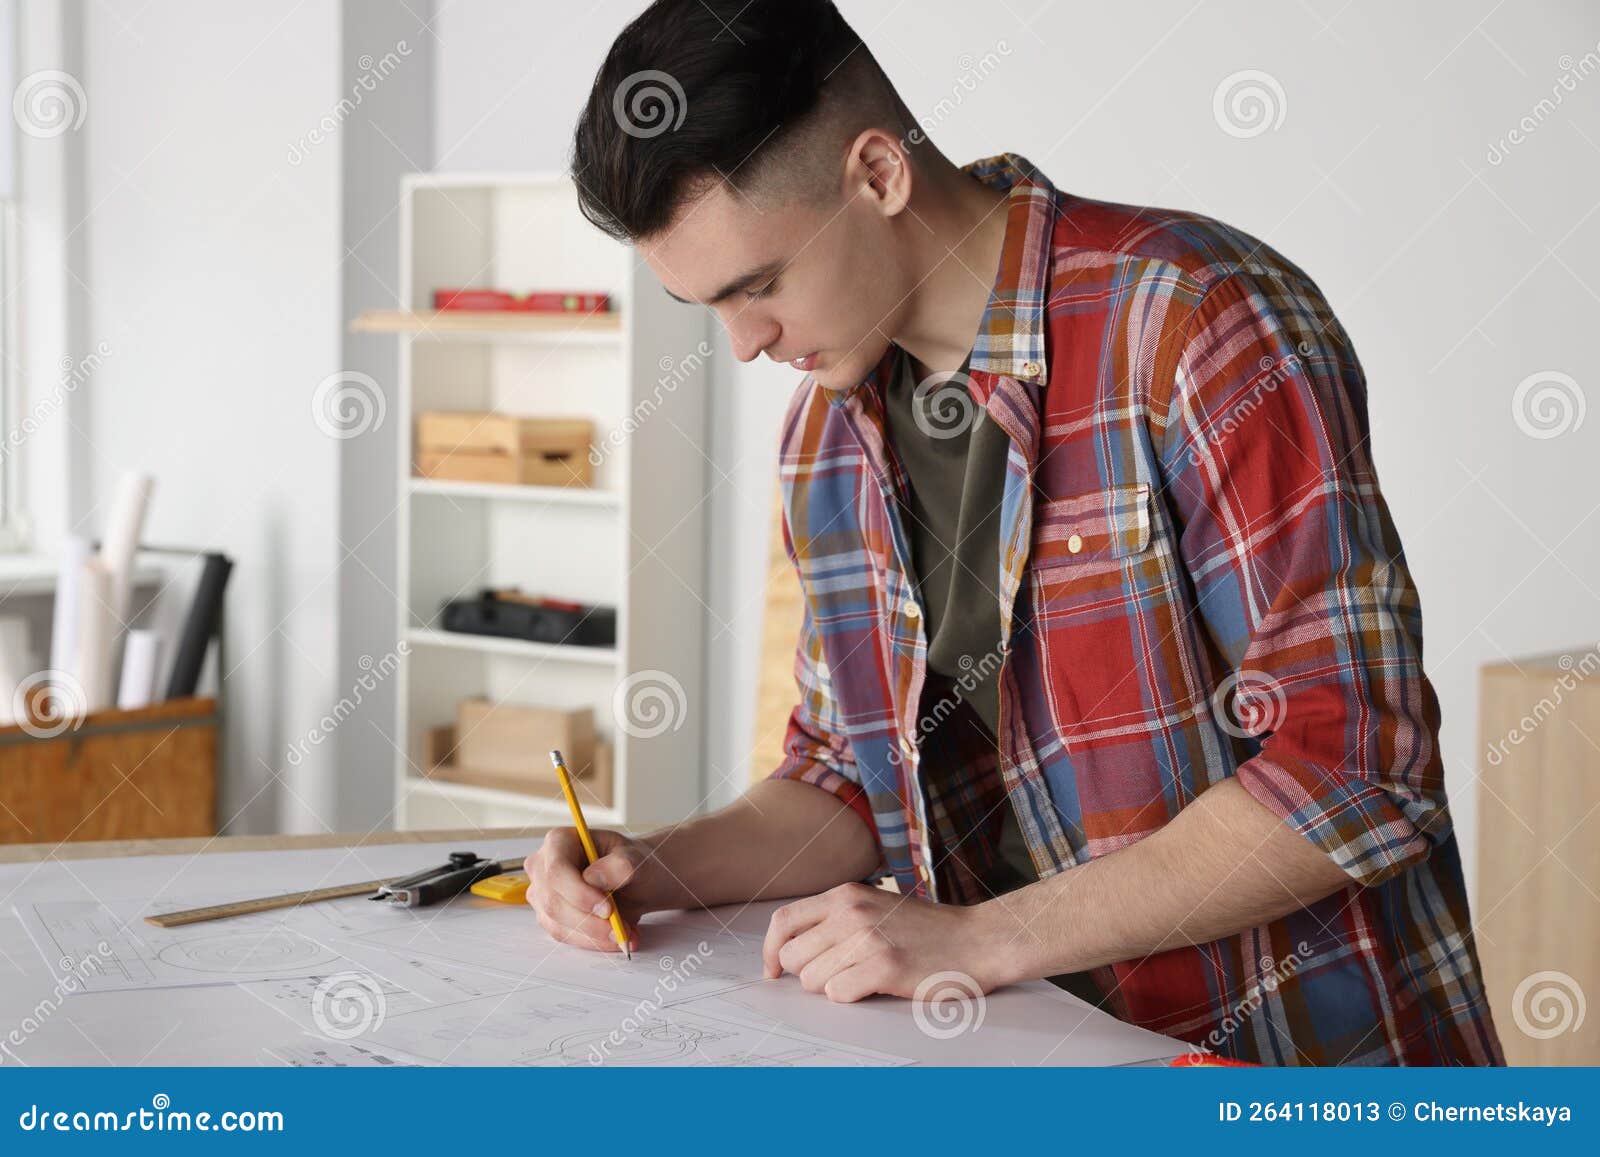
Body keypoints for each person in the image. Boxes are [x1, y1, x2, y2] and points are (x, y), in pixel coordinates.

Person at [525, 0, 1503, 1066]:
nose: (745, 345)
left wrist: (979, 938)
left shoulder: (1193, 321)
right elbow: (845, 778)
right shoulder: (825, 442)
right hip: (1028, 1061)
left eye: (758, 287)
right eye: (705, 307)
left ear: (878, 175)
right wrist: (649, 867)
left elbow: (1352, 765)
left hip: (1295, 1068)